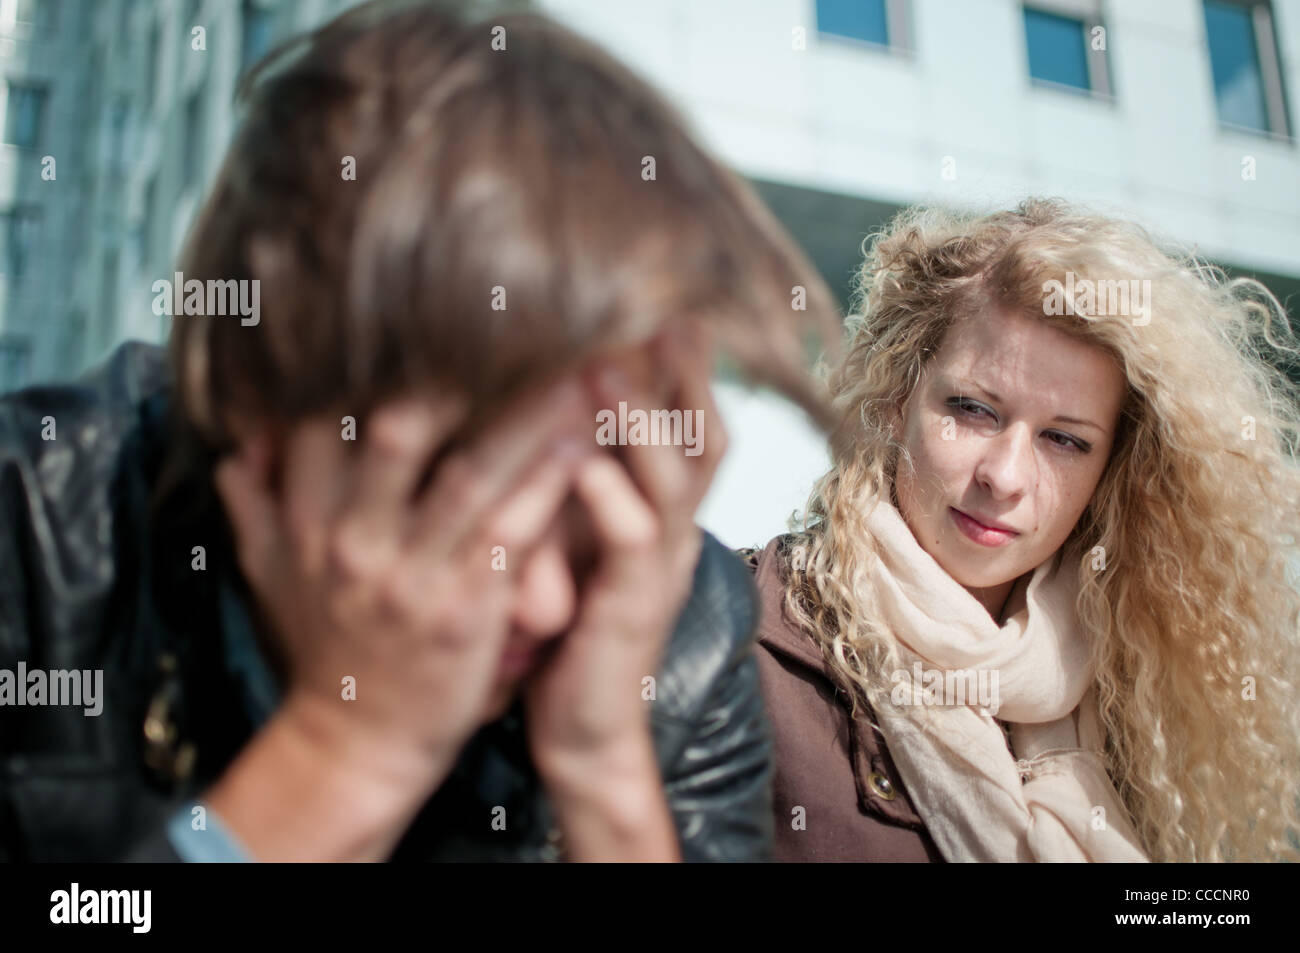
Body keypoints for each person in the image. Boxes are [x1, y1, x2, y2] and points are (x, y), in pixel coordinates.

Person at [0, 0, 841, 862]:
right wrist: (344, 755)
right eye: (464, 491)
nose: (546, 595)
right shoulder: (35, 533)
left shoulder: (682, 631)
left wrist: (605, 782)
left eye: (598, 484)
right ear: (259, 408)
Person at [745, 198, 1300, 862]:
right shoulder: (726, 640)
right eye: (973, 409)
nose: (1005, 476)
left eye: (1064, 440)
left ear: (1113, 472)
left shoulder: (1141, 703)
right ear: (897, 401)